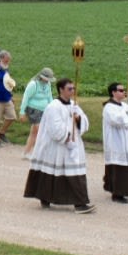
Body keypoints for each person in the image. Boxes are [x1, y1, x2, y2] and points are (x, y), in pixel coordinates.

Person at [23, 78, 94, 213]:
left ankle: (80, 203)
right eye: (69, 89)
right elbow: (54, 128)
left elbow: (84, 121)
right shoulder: (53, 106)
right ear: (61, 90)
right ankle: (46, 197)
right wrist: (67, 138)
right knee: (51, 173)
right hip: (57, 146)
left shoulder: (74, 105)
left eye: (73, 89)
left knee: (75, 174)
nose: (72, 91)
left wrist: (79, 119)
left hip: (73, 146)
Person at [101, 82, 128, 202]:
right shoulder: (109, 107)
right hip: (115, 141)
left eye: (124, 90)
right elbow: (116, 121)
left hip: (126, 139)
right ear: (113, 92)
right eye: (121, 90)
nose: (124, 92)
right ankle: (117, 193)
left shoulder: (124, 105)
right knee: (118, 167)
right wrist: (125, 113)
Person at [19, 67, 56, 159]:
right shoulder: (33, 84)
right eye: (47, 79)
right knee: (41, 131)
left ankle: (26, 153)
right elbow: (26, 97)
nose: (48, 81)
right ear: (42, 77)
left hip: (44, 110)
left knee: (34, 132)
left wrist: (53, 108)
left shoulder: (48, 85)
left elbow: (49, 97)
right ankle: (41, 154)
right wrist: (22, 111)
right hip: (33, 110)